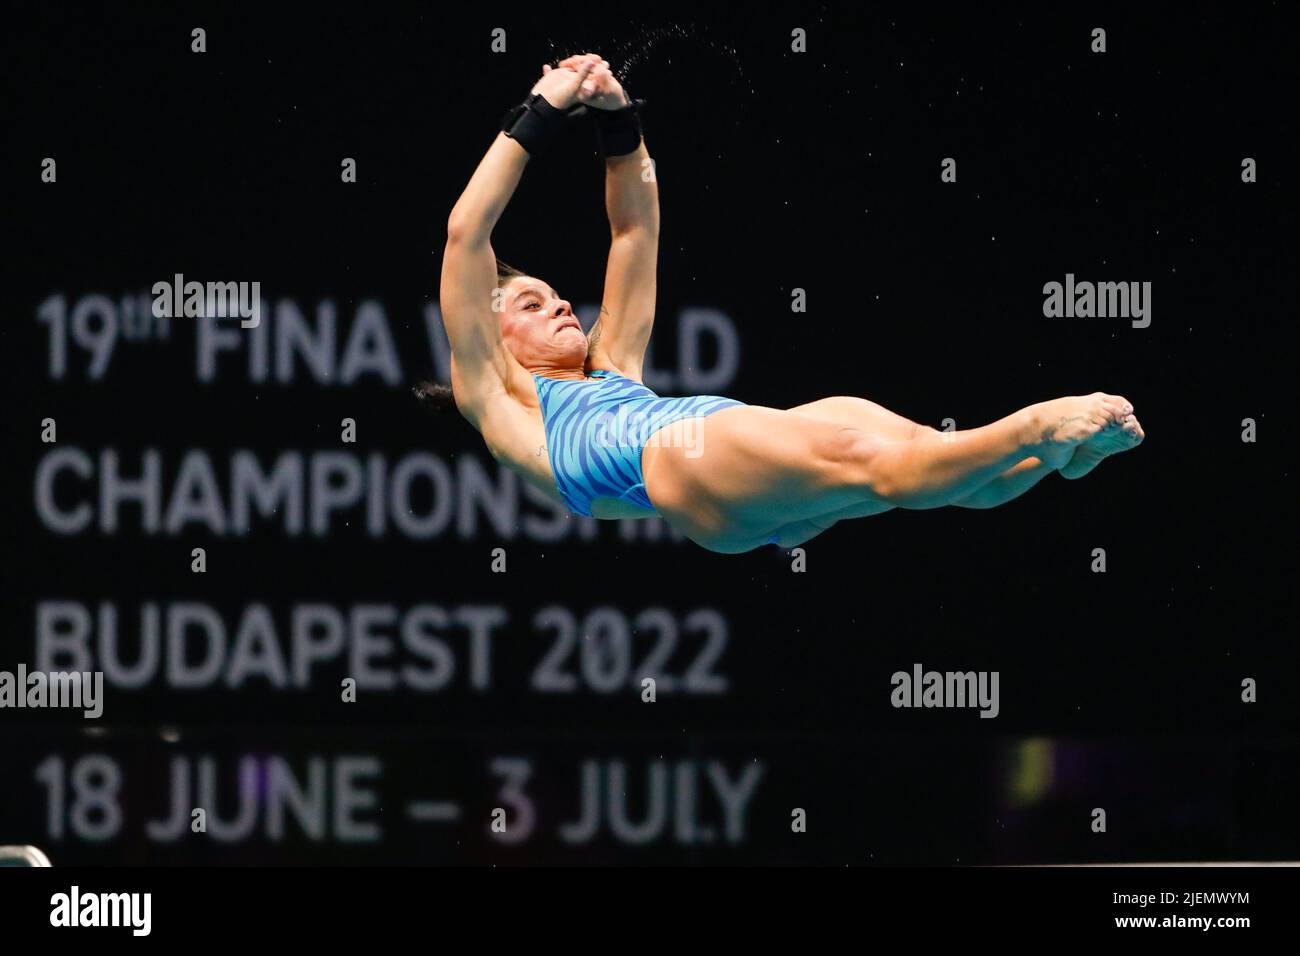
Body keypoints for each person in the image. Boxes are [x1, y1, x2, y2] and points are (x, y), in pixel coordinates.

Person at [434, 53, 1144, 554]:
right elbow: (468, 231)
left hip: (724, 449)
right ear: (490, 337)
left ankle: (1059, 457)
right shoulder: (499, 397)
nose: (561, 308)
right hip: (680, 460)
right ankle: (1035, 424)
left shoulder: (610, 363)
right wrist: (539, 112)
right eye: (531, 306)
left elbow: (634, 229)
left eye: (556, 297)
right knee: (871, 459)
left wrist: (621, 126)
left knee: (916, 455)